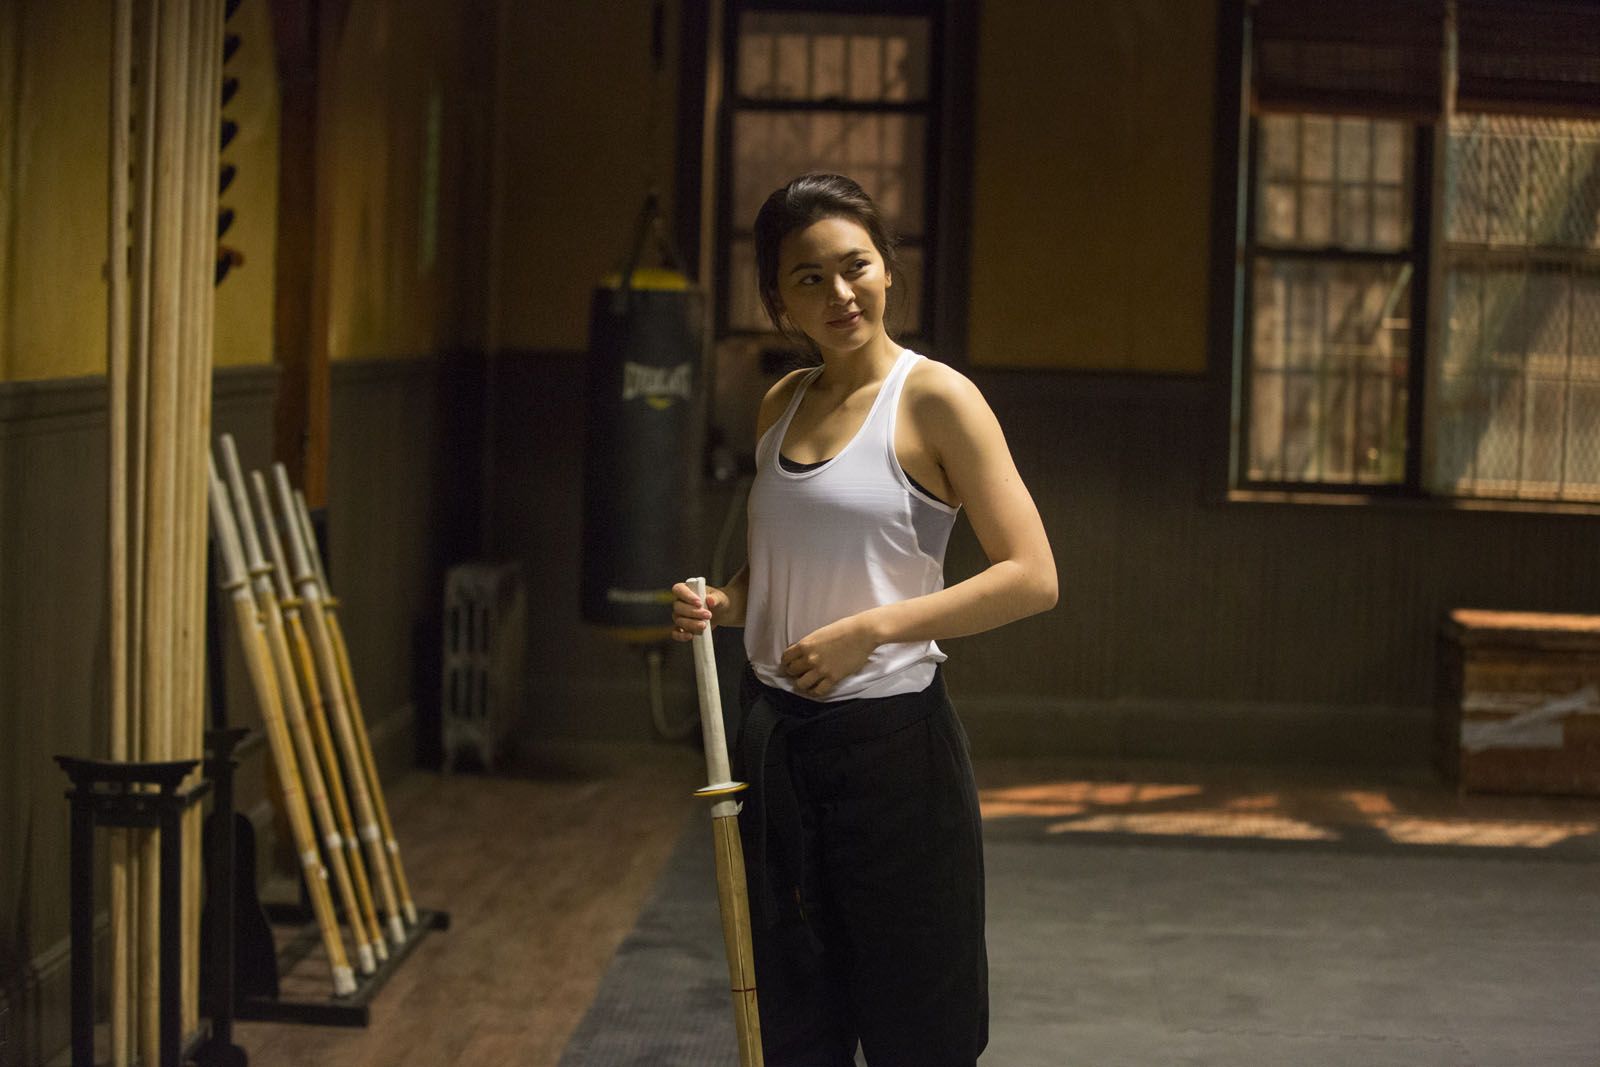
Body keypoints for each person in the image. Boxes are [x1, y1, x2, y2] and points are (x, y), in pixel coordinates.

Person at [670, 172, 1056, 1067]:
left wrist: (873, 629)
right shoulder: (781, 403)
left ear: (887, 267)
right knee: (794, 1024)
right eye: (810, 278)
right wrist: (725, 601)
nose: (840, 293)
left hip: (893, 755)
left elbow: (1033, 577)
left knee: (918, 1030)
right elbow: (782, 562)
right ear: (779, 300)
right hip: (776, 747)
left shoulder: (936, 399)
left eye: (856, 266)